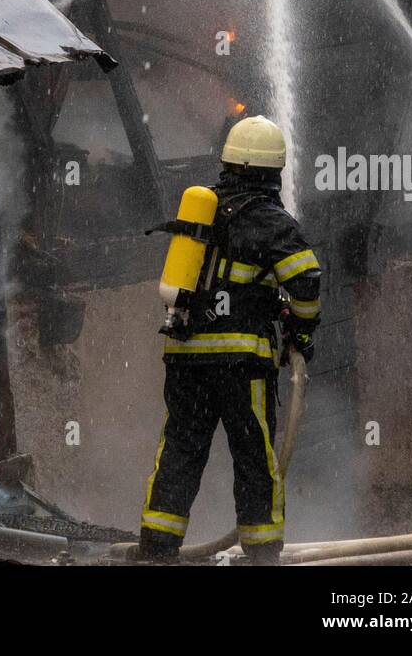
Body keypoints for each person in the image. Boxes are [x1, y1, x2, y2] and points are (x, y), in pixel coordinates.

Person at [137, 115, 321, 566]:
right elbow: (306, 283)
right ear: (273, 173)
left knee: (180, 449)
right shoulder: (271, 221)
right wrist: (300, 332)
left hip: (184, 356)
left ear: (227, 164)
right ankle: (261, 553)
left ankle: (157, 550)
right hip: (241, 362)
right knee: (255, 456)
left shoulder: (200, 212)